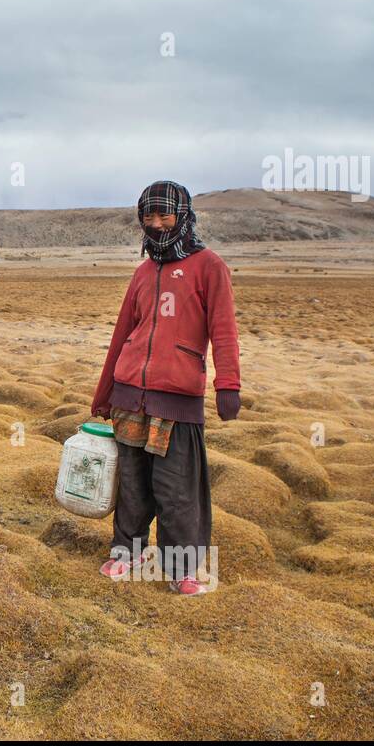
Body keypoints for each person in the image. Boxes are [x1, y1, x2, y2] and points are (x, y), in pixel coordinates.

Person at [89, 180, 241, 595]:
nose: (156, 224)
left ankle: (183, 569)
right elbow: (123, 333)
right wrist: (104, 394)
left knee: (177, 488)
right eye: (148, 217)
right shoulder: (143, 272)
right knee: (133, 483)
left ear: (184, 215)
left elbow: (223, 330)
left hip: (177, 399)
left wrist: (228, 384)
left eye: (164, 215)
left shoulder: (209, 266)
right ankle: (128, 553)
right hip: (129, 396)